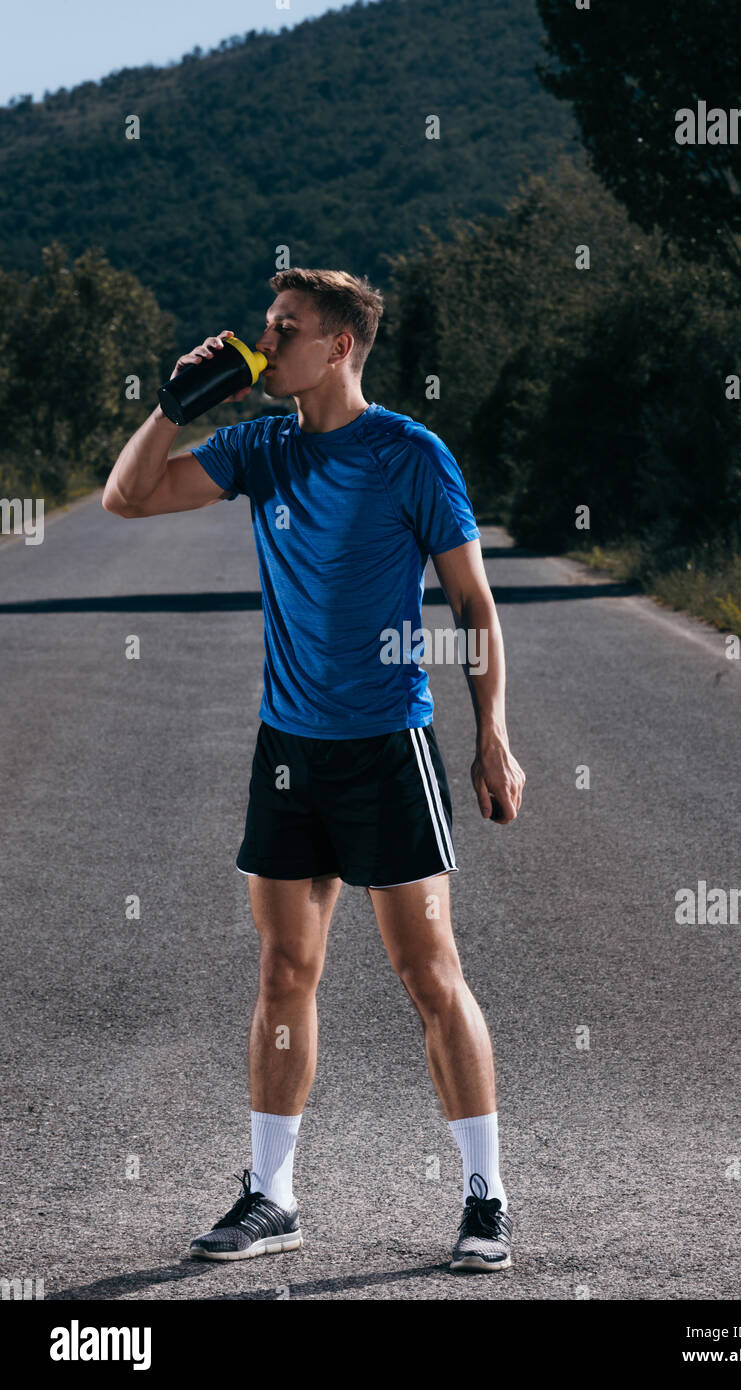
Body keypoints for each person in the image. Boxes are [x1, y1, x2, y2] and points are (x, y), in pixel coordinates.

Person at [102, 268, 525, 1272]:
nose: (263, 344)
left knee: (430, 972)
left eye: (283, 330)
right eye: (264, 325)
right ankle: (272, 1195)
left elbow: (474, 607)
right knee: (284, 970)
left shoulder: (410, 454)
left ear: (339, 346)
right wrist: (173, 406)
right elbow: (126, 498)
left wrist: (491, 734)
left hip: (388, 746)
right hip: (288, 749)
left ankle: (485, 1197)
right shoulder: (260, 446)